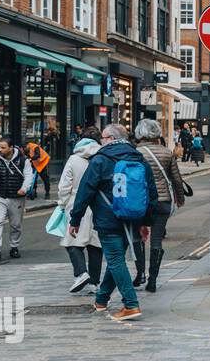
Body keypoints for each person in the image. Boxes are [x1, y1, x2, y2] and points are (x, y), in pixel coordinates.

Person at [68, 123, 158, 322]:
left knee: (115, 260)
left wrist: (75, 218)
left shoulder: (100, 160)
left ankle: (131, 304)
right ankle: (101, 300)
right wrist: (145, 222)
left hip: (107, 219)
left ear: (109, 138)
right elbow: (151, 193)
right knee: (115, 259)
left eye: (102, 137)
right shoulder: (139, 158)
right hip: (132, 218)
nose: (101, 141)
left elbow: (86, 190)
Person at [133, 118, 186, 292]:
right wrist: (179, 197)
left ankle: (140, 273)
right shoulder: (166, 152)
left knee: (138, 237)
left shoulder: (136, 152)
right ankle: (153, 280)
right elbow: (177, 179)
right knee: (156, 240)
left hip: (142, 202)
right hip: (163, 202)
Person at [56, 126, 104, 293]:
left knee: (71, 240)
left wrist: (62, 204)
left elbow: (64, 186)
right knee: (96, 244)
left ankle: (81, 273)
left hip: (77, 203)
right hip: (99, 204)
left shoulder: (74, 159)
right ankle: (94, 283)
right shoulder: (103, 156)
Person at [0, 137, 34, 261]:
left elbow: (29, 176)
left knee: (16, 225)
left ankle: (14, 247)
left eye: (3, 147)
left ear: (11, 148)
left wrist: (24, 188)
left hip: (16, 198)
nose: (0, 150)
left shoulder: (23, 160)